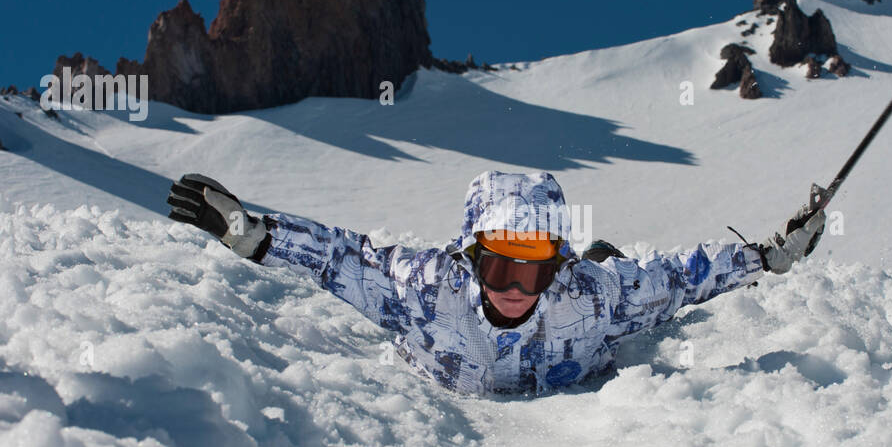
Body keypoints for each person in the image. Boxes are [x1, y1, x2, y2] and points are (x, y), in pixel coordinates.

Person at [166, 170, 824, 395]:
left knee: (641, 295)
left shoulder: (592, 297)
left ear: (556, 266)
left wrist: (768, 256)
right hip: (449, 371)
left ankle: (600, 250)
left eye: (531, 265)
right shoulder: (427, 291)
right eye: (497, 263)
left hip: (591, 344)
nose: (513, 283)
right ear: (469, 258)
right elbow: (343, 258)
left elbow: (680, 277)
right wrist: (260, 238)